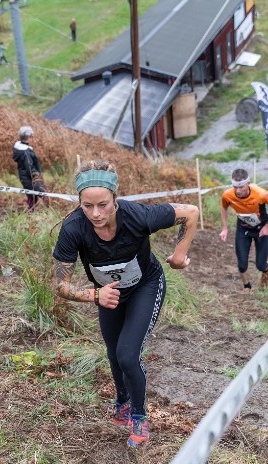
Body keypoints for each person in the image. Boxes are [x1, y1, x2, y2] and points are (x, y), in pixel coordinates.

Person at [52, 161, 199, 448]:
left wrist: (179, 255)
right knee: (113, 353)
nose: (96, 214)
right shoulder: (73, 228)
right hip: (108, 294)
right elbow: (60, 285)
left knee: (128, 355)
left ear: (115, 199)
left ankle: (139, 416)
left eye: (103, 205)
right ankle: (122, 400)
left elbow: (190, 213)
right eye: (87, 206)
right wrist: (95, 296)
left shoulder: (138, 216)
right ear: (80, 202)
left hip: (146, 286)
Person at [219, 168, 268, 292]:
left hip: (261, 228)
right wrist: (224, 228)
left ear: (248, 183)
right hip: (243, 228)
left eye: (241, 187)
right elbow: (224, 207)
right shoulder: (227, 195)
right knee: (242, 264)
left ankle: (266, 269)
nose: (238, 191)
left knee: (260, 265)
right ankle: (247, 286)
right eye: (235, 187)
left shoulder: (260, 194)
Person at [13, 126, 43, 211]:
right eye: (32, 136)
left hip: (24, 176)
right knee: (41, 193)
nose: (32, 138)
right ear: (28, 137)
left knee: (32, 196)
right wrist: (36, 175)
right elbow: (29, 167)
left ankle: (31, 211)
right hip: (28, 177)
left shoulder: (22, 148)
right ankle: (31, 211)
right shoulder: (25, 152)